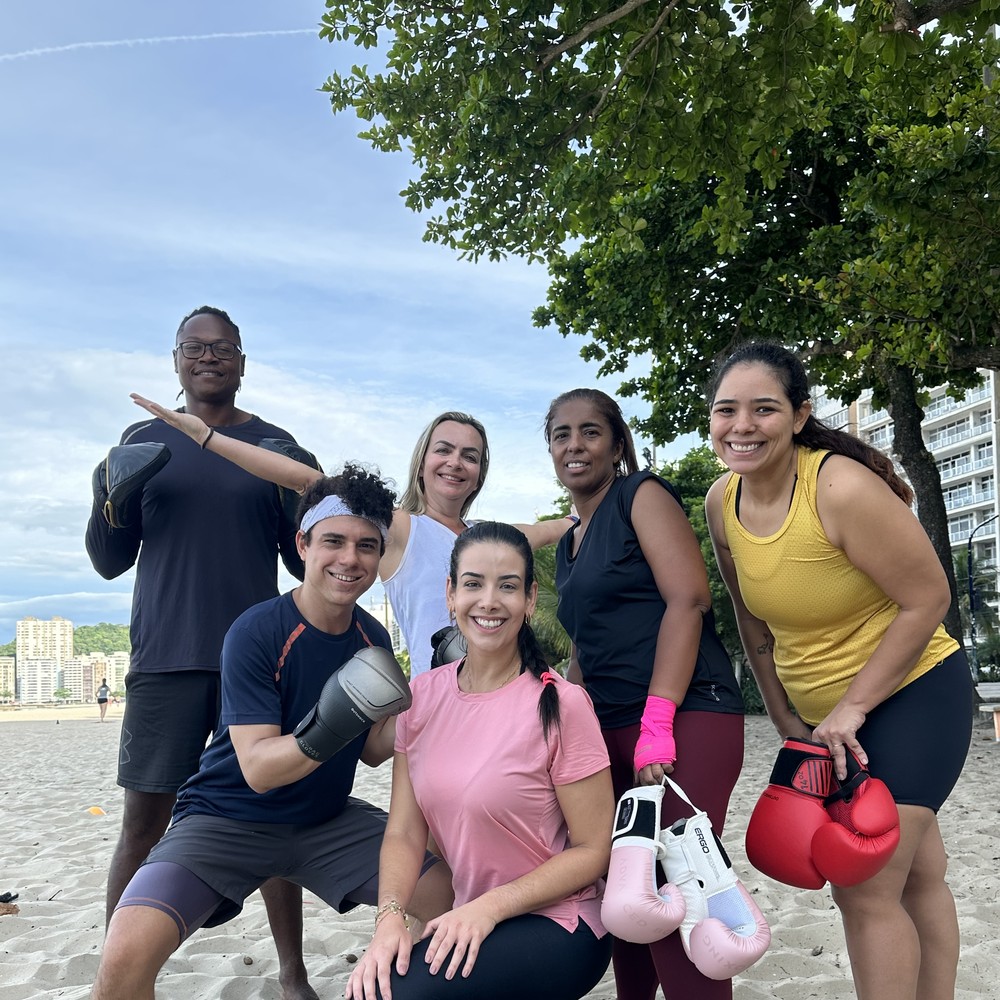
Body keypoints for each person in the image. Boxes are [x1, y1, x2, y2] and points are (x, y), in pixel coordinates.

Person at [90, 466, 452, 1000]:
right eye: (334, 541)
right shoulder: (257, 630)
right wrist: (339, 714)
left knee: (447, 894)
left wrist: (431, 694)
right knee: (122, 962)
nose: (350, 559)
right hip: (226, 818)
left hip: (325, 820)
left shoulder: (369, 636)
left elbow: (374, 751)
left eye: (367, 546)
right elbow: (258, 769)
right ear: (303, 544)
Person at [703, 342, 973, 1000]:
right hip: (826, 720)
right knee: (915, 877)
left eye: (763, 409)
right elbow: (752, 625)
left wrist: (852, 707)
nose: (742, 426)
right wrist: (786, 715)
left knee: (865, 886)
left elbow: (929, 597)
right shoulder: (721, 502)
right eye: (725, 410)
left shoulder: (839, 487)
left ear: (799, 416)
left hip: (914, 693)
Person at [85, 306, 318, 999]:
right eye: (195, 347)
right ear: (176, 360)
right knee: (143, 822)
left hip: (258, 660)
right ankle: (115, 977)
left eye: (223, 348)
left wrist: (318, 505)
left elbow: (304, 561)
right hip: (165, 656)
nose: (209, 357)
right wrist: (110, 497)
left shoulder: (277, 446)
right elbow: (106, 559)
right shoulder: (137, 439)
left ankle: (293, 973)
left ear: (243, 362)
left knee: (275, 814)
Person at [346, 521, 614, 1000]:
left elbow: (594, 851)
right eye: (473, 584)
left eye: (507, 586)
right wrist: (389, 919)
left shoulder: (562, 703)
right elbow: (405, 832)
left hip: (557, 921)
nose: (489, 601)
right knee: (369, 986)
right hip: (469, 916)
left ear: (530, 599)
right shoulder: (421, 697)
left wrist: (489, 907)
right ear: (450, 594)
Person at [543, 388, 745, 1000]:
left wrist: (658, 718)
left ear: (617, 443)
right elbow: (583, 652)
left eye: (590, 432)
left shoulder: (641, 496)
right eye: (561, 434)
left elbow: (689, 600)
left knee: (678, 890)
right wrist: (549, 710)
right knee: (625, 897)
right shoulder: (569, 548)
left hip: (686, 714)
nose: (574, 445)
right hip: (608, 728)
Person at [125, 403, 572, 676]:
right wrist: (207, 437)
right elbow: (306, 481)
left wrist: (597, 507)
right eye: (444, 450)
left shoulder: (488, 539)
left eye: (469, 456)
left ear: (478, 475)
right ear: (423, 463)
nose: (455, 462)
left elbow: (556, 527)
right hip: (439, 698)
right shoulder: (400, 529)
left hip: (505, 691)